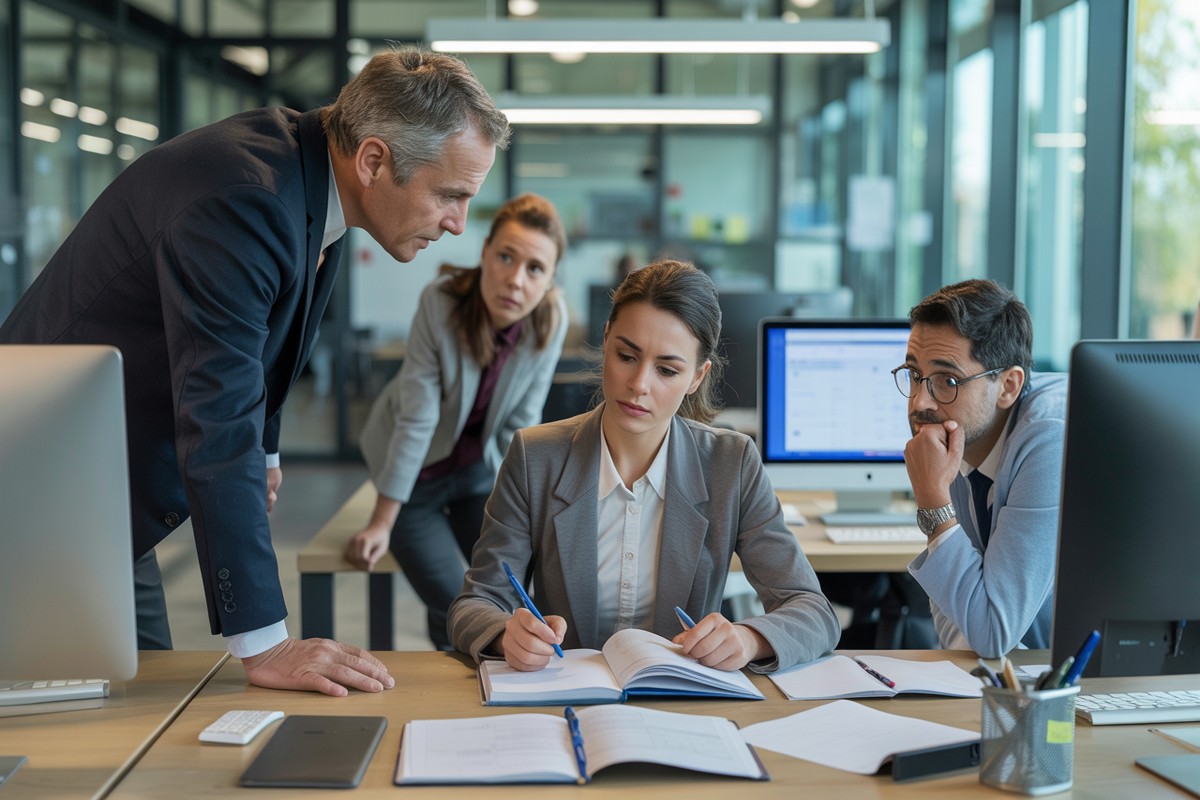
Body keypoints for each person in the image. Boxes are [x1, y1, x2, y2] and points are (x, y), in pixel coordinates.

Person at [0, 47, 511, 695]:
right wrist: (268, 642)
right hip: (36, 487)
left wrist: (266, 449)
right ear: (374, 161)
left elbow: (262, 335)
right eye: (450, 195)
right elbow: (218, 412)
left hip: (103, 493)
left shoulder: (304, 177)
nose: (458, 224)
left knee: (143, 694)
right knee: (88, 714)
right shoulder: (246, 198)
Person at [448, 259, 840, 673]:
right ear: (606, 340)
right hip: (570, 693)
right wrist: (505, 633)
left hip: (682, 697)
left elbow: (813, 612)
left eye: (667, 370)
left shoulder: (732, 463)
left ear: (697, 377)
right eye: (626, 355)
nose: (639, 384)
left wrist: (748, 638)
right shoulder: (535, 456)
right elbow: (475, 603)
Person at [346, 193, 569, 650]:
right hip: (412, 475)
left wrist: (527, 519)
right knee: (457, 604)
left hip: (473, 473)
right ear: (485, 252)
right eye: (505, 257)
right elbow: (418, 418)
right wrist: (381, 522)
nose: (515, 280)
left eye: (535, 269)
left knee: (512, 592)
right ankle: (453, 657)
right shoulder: (441, 302)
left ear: (549, 280)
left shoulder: (550, 319)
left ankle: (456, 651)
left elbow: (521, 425)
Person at [896, 279, 1067, 658]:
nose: (920, 401)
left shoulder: (1050, 439)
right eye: (913, 374)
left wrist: (933, 502)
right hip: (1020, 672)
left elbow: (992, 633)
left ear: (1008, 386)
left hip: (1098, 678)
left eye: (947, 380)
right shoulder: (960, 433)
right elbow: (954, 616)